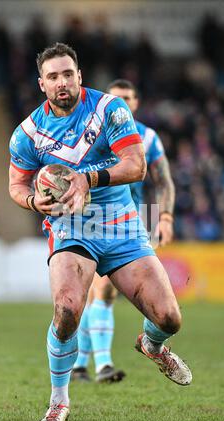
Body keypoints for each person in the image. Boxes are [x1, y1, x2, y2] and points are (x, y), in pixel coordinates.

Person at [8, 43, 192, 421]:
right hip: (71, 225)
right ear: (42, 84)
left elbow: (137, 166)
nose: (62, 83)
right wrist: (33, 201)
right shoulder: (27, 133)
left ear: (80, 76)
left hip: (122, 222)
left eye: (68, 74)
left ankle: (152, 345)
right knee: (68, 309)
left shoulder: (109, 109)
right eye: (53, 77)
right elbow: (16, 184)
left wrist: (86, 178)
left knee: (170, 317)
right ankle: (59, 400)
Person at [72, 79, 175, 383]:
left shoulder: (148, 136)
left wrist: (165, 216)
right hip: (91, 215)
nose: (123, 104)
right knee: (95, 292)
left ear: (136, 102)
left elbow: (164, 180)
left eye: (128, 98)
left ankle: (85, 364)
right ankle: (97, 365)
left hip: (133, 216)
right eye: (116, 98)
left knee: (102, 292)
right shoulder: (88, 130)